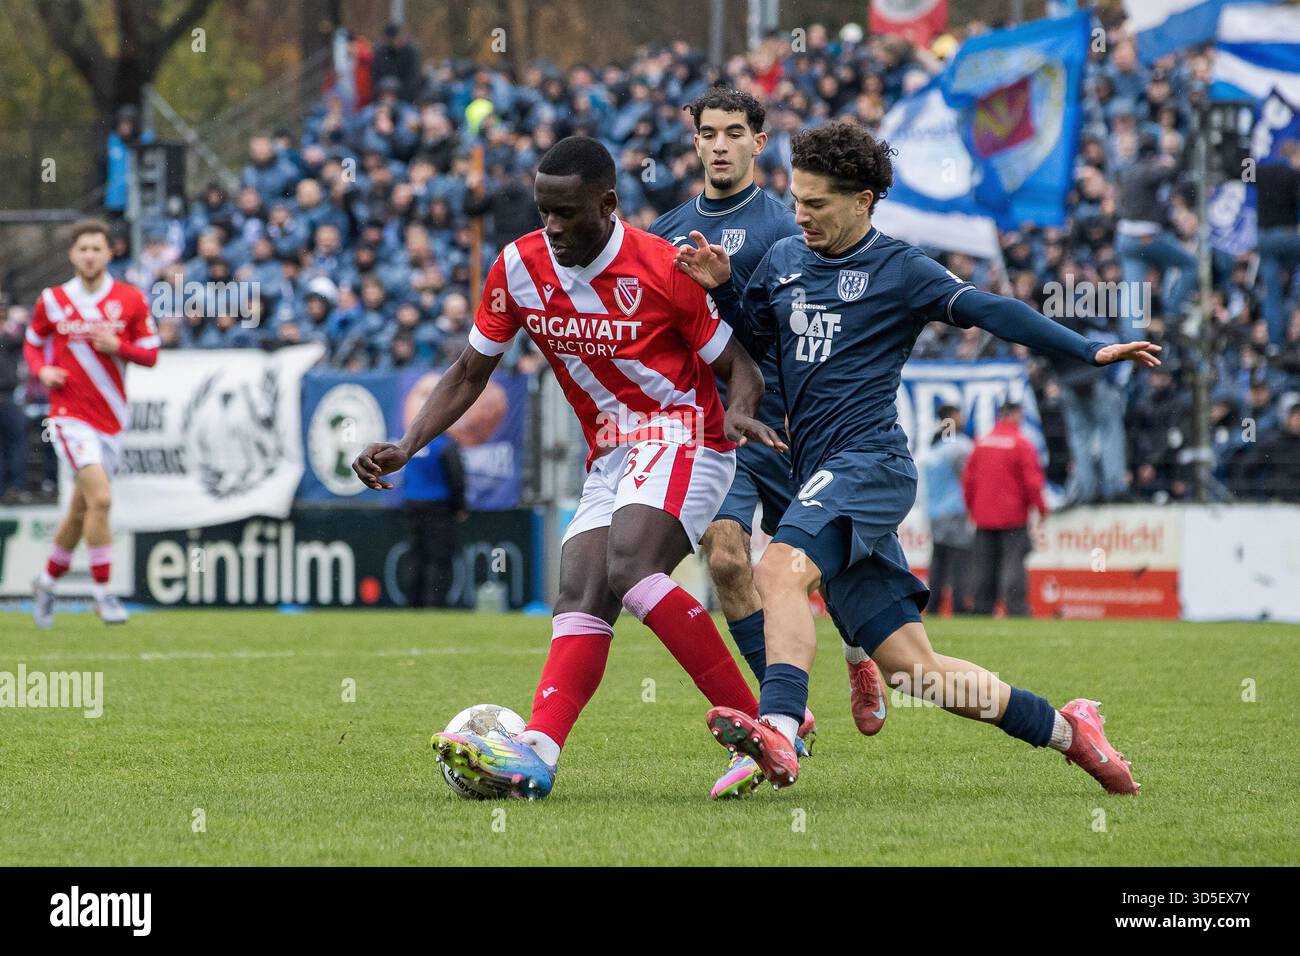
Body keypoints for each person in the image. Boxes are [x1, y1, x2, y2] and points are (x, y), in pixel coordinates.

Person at [675, 122, 1159, 796]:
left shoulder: (900, 268)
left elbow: (989, 308)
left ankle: (780, 729)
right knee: (913, 671)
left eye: (817, 204)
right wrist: (725, 289)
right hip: (819, 472)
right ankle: (1070, 731)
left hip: (869, 463)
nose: (801, 215)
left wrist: (1086, 349)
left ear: (864, 200)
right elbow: (760, 343)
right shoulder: (783, 259)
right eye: (798, 201)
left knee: (778, 571)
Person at [352, 137, 781, 800]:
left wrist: (743, 411)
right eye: (542, 211)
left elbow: (737, 367)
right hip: (611, 453)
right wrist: (408, 444)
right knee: (579, 593)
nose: (551, 228)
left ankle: (757, 730)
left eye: (567, 213)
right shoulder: (518, 267)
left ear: (608, 205)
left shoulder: (663, 267)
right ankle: (539, 753)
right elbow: (470, 371)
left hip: (686, 436)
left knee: (630, 567)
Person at [650, 88, 888, 798]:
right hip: (722, 431)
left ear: (758, 143)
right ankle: (780, 714)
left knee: (823, 579)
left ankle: (854, 652)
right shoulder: (666, 230)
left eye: (734, 133)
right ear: (693, 142)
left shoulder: (790, 228)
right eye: (707, 134)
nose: (719, 145)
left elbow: (791, 331)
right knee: (725, 557)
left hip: (796, 427)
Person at [25, 220, 160, 626]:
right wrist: (42, 372)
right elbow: (33, 344)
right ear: (72, 254)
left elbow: (151, 354)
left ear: (109, 253)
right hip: (68, 416)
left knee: (81, 511)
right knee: (100, 499)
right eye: (82, 248)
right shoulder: (52, 300)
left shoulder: (130, 299)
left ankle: (46, 582)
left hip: (111, 419)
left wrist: (118, 346)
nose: (89, 255)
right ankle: (105, 595)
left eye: (96, 248)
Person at [963, 400, 1045, 616]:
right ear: (1016, 415)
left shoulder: (981, 443)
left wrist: (971, 508)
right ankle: (1016, 607)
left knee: (983, 565)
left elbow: (968, 481)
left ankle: (982, 607)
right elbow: (1032, 482)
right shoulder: (1021, 443)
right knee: (1013, 563)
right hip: (1013, 516)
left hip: (983, 516)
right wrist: (1041, 508)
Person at [920, 403, 973, 616]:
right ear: (952, 417)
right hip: (954, 509)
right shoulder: (958, 447)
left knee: (939, 560)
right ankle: (960, 604)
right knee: (960, 560)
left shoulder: (932, 448)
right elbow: (967, 478)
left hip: (934, 511)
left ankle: (933, 605)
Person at [404, 433, 467, 607]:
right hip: (438, 506)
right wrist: (459, 505)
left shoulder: (413, 446)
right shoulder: (444, 445)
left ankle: (413, 601)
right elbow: (456, 476)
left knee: (417, 555)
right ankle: (434, 602)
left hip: (413, 504)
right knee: (439, 557)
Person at [1256, 141, 1300, 349]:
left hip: (1264, 239)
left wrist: (1248, 153)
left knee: (1272, 293)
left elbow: (1240, 170)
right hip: (1287, 236)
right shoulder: (1293, 174)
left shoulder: (1262, 172)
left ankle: (1275, 343)